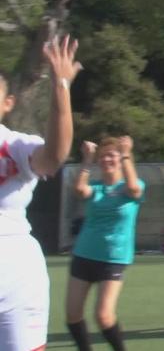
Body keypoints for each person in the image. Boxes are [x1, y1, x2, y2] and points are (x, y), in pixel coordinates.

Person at [0, 35, 81, 351]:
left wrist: (61, 86)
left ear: (8, 104)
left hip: (17, 277)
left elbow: (54, 156)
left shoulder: (15, 146)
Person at [64, 136, 145, 351]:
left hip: (113, 259)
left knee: (103, 316)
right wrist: (87, 159)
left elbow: (134, 189)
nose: (106, 159)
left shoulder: (131, 187)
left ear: (122, 158)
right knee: (72, 315)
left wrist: (126, 153)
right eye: (102, 156)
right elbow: (79, 190)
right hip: (84, 255)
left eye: (111, 155)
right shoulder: (96, 187)